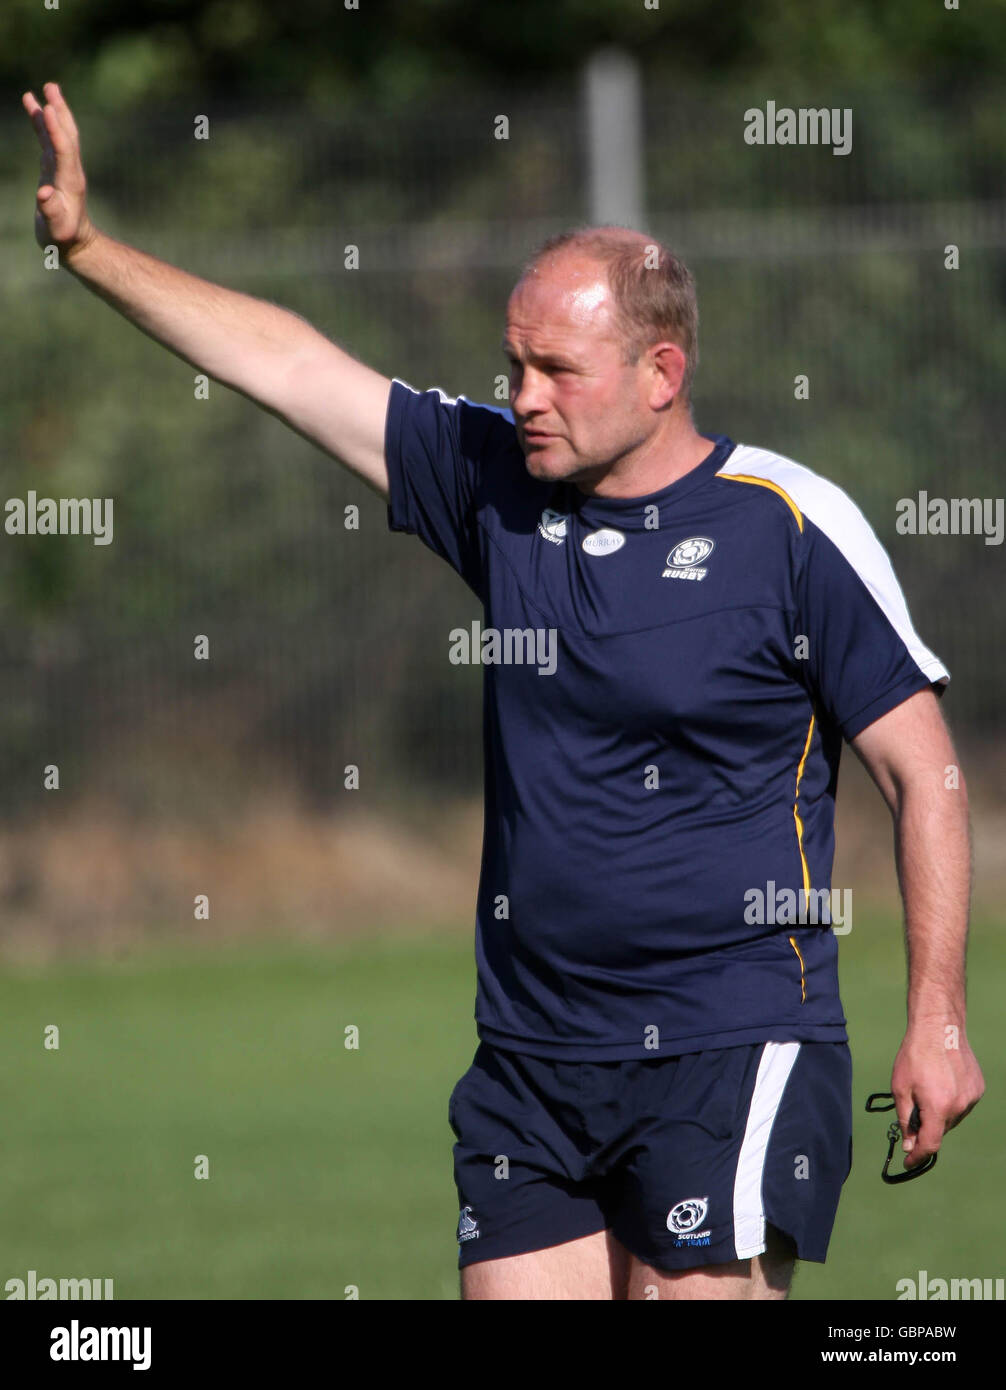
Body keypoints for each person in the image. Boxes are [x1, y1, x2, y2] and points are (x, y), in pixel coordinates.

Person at [23, 81, 984, 1302]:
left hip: (732, 1041)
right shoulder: (497, 483)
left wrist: (937, 1017)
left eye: (555, 369)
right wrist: (92, 251)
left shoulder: (790, 530)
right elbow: (290, 366)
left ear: (660, 372)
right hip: (530, 1058)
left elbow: (925, 772)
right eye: (511, 362)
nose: (522, 393)